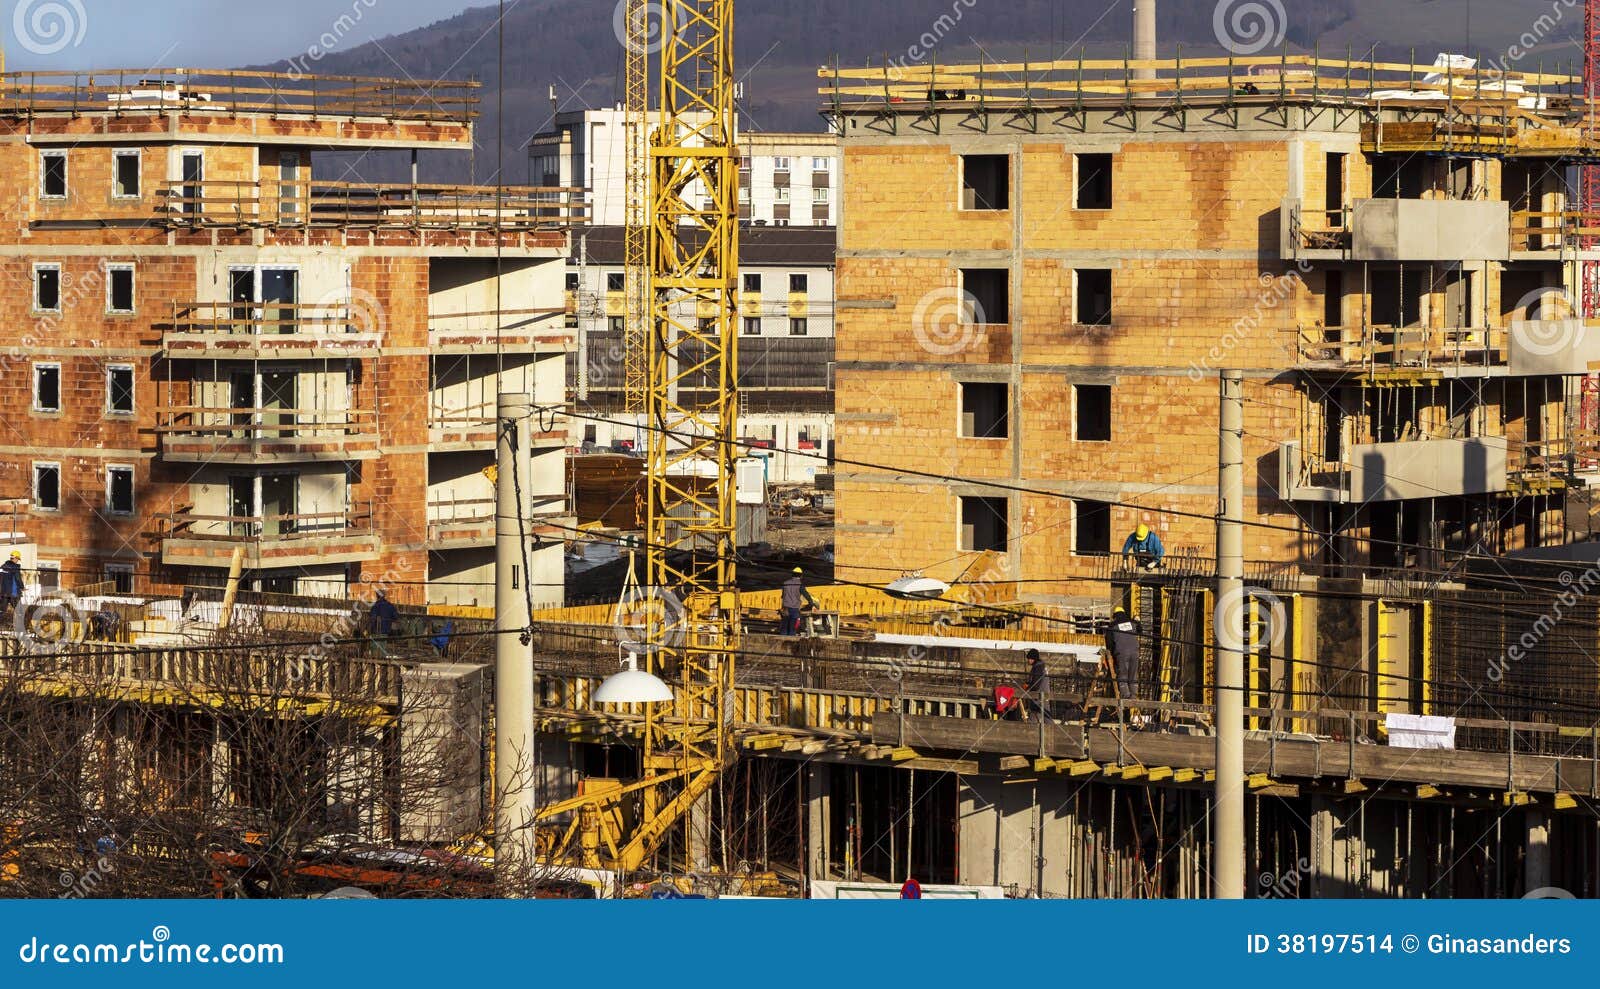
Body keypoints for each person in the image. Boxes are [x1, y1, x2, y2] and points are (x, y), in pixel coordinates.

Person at [1104, 605, 1142, 707]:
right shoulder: (1132, 623)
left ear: (1115, 616)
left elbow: (1109, 644)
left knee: (1123, 674)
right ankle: (1134, 696)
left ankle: (1125, 696)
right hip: (1135, 652)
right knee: (1133, 674)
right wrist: (1137, 622)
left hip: (1121, 653)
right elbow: (1140, 630)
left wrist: (1112, 653)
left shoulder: (1112, 626)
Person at [780, 567, 818, 636]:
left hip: (785, 608)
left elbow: (783, 596)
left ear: (792, 574)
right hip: (794, 609)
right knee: (792, 628)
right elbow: (806, 595)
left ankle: (781, 641)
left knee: (784, 628)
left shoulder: (785, 583)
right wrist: (812, 604)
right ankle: (790, 641)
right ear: (801, 576)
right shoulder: (800, 584)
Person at [1025, 648, 1049, 719]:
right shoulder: (1040, 666)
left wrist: (1027, 688)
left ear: (1034, 659)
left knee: (1034, 716)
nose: (1029, 660)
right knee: (1046, 715)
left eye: (1030, 659)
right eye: (1028, 658)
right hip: (1044, 693)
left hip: (1038, 695)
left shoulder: (1038, 667)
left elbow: (1036, 684)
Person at [0, 551, 23, 620]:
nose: (17, 561)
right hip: (13, 593)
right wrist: (22, 587)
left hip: (4, 593)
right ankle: (20, 624)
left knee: (1, 610)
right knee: (19, 611)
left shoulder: (2, 567)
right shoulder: (15, 567)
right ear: (15, 558)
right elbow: (18, 578)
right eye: (17, 559)